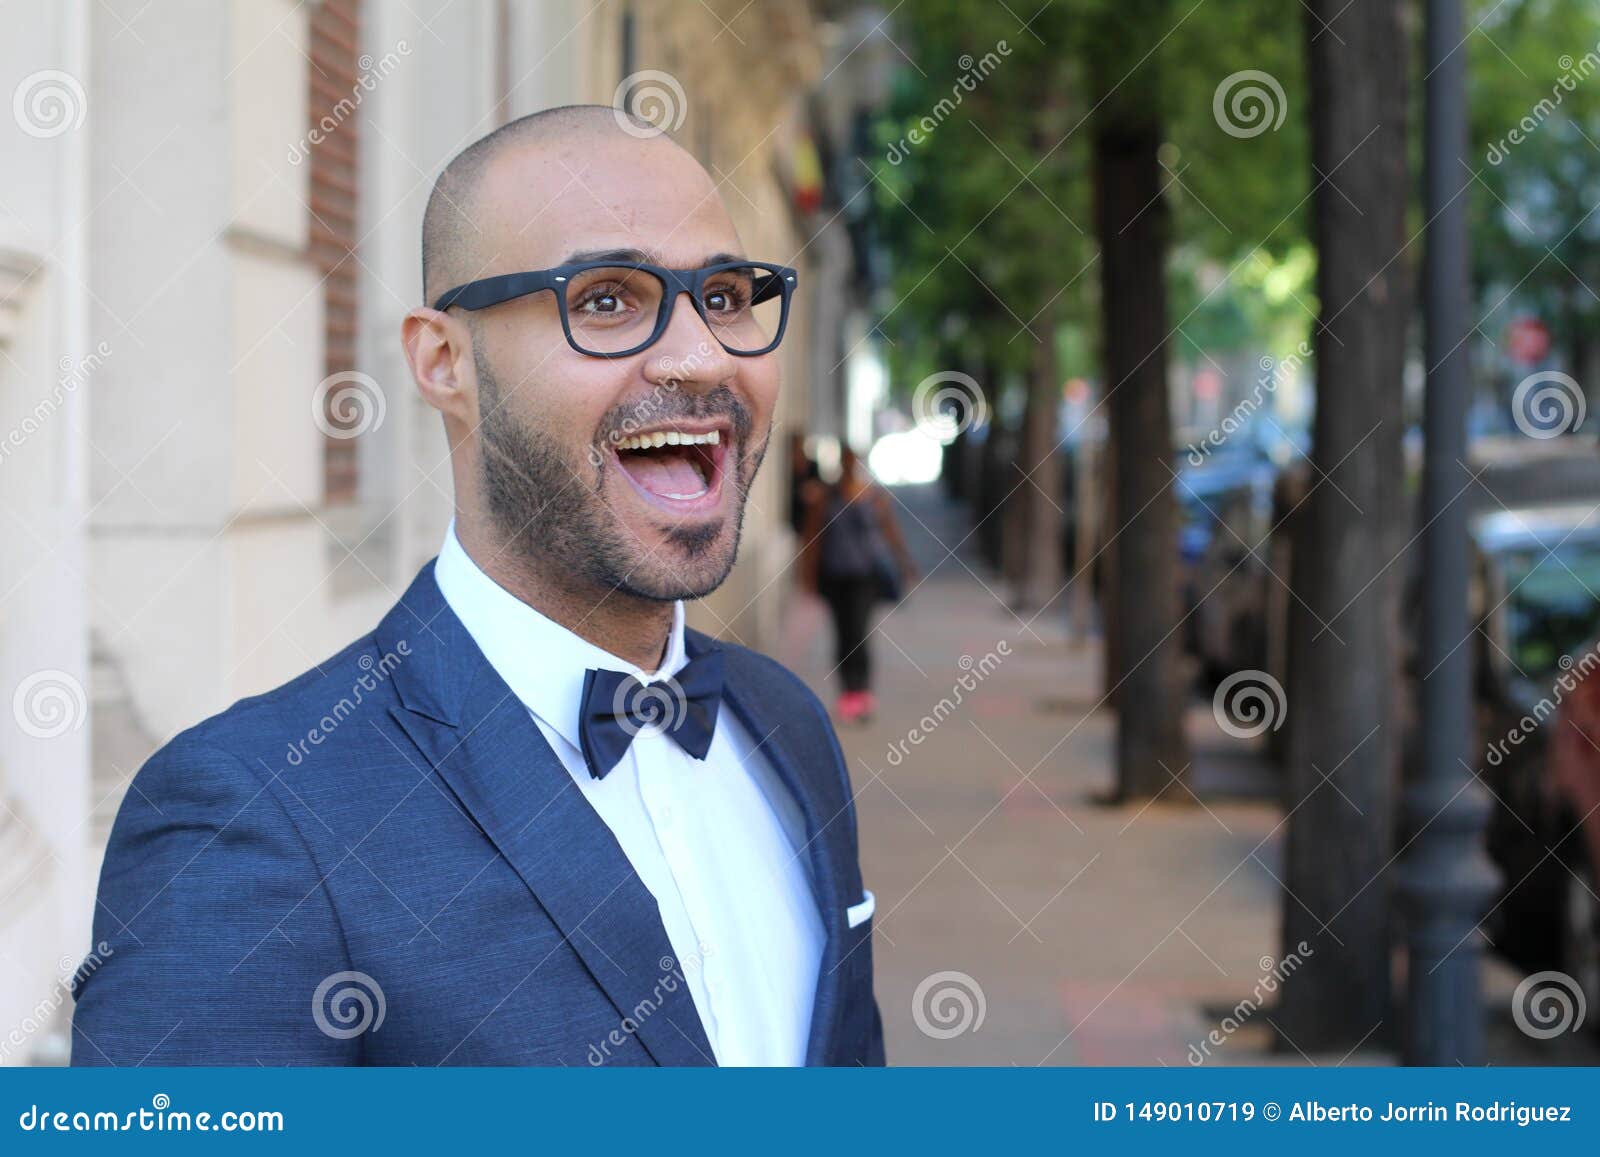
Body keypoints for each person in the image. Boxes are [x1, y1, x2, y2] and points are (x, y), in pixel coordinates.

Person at [71, 106, 883, 1068]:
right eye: (608, 300)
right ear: (442, 359)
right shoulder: (248, 823)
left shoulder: (786, 726)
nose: (702, 355)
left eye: (724, 295)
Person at [801, 445, 917, 723]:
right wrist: (806, 575)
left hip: (865, 577)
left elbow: (891, 532)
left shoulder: (874, 497)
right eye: (846, 460)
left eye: (854, 460)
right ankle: (848, 692)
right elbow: (812, 537)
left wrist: (905, 564)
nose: (850, 465)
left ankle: (862, 692)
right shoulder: (825, 497)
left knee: (860, 633)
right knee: (842, 634)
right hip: (835, 576)